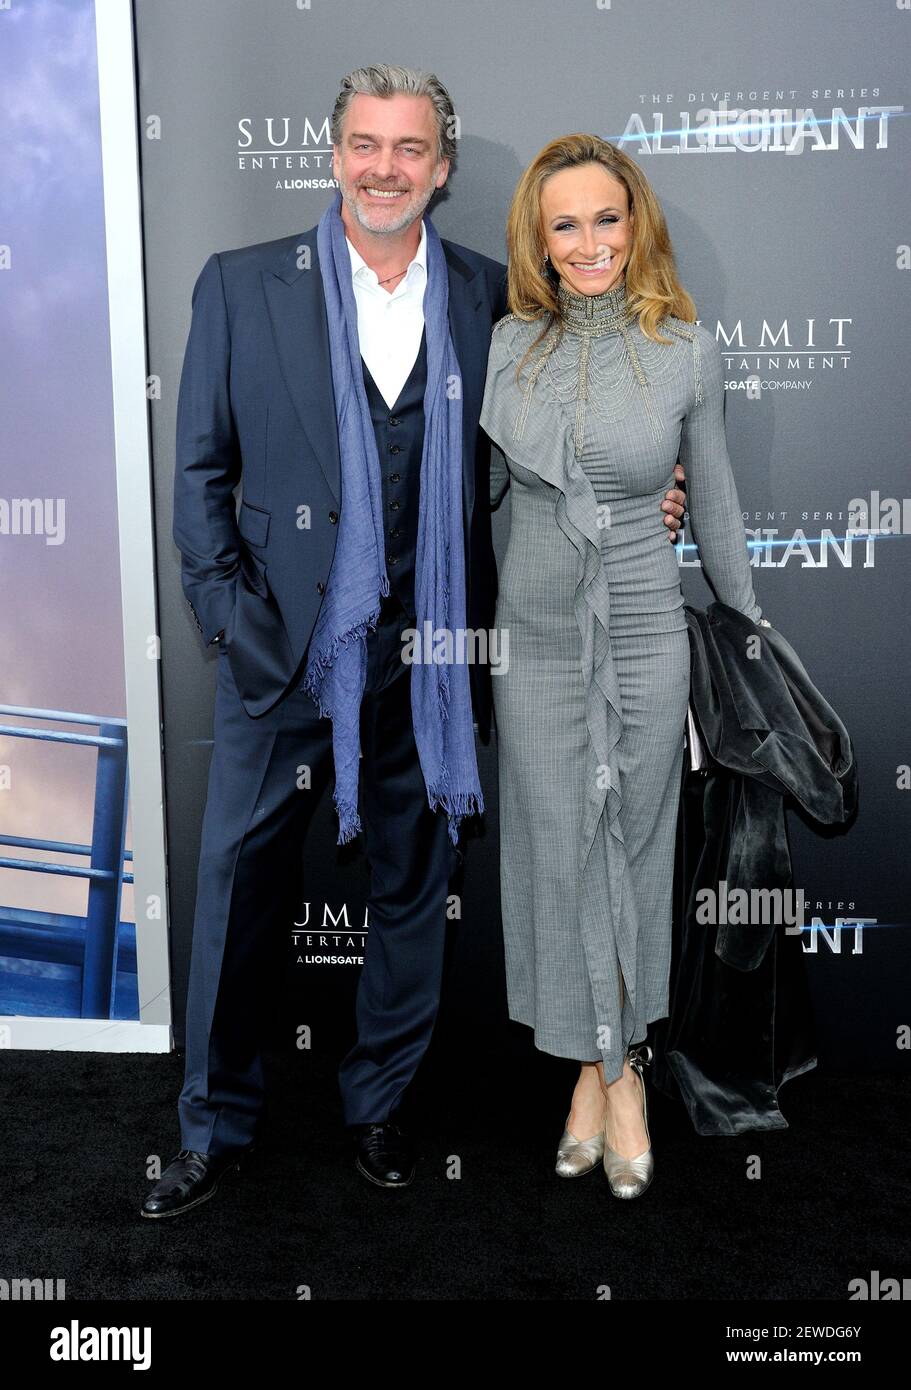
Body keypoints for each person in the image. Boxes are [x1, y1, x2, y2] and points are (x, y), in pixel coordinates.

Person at [143, 73, 686, 1218]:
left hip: (432, 659)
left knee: (411, 895)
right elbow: (198, 472)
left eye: (410, 148)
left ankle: (378, 1105)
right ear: (332, 155)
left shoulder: (490, 301)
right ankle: (212, 1123)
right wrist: (233, 623)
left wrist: (654, 488)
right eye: (363, 144)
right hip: (281, 657)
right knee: (236, 895)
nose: (385, 166)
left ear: (441, 169)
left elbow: (572, 428)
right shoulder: (243, 288)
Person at [480, 133, 767, 1199]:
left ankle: (619, 1077)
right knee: (560, 859)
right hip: (540, 641)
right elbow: (500, 492)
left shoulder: (684, 349)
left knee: (635, 852)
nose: (590, 242)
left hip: (644, 632)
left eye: (607, 218)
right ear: (539, 240)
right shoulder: (510, 346)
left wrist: (748, 631)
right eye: (566, 224)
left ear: (633, 222)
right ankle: (590, 1068)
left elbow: (721, 504)